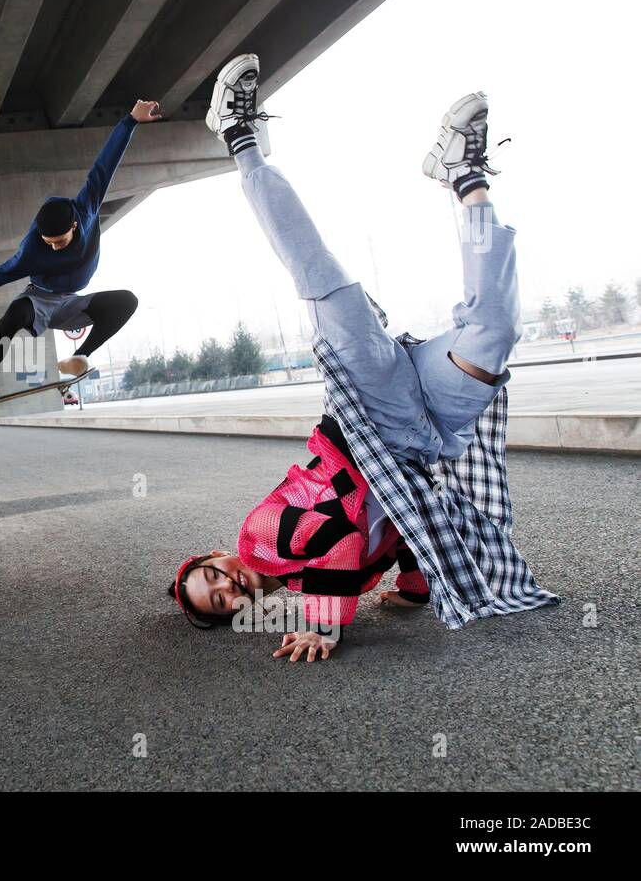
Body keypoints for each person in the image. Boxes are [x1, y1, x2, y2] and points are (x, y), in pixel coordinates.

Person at [169, 54, 557, 663]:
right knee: (493, 333)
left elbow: (335, 534)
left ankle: (238, 137)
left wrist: (326, 625)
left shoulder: (261, 538)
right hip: (426, 437)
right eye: (220, 602)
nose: (226, 586)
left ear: (216, 553)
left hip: (369, 416)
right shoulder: (307, 583)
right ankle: (464, 174)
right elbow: (404, 528)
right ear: (240, 614)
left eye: (211, 575)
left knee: (321, 275)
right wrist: (412, 589)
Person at [0, 99, 163, 408]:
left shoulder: (87, 206)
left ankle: (79, 358)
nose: (53, 246)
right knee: (13, 316)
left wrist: (130, 120)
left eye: (59, 241)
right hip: (39, 299)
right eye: (48, 242)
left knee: (126, 301)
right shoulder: (31, 251)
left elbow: (105, 165)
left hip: (72, 303)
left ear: (75, 226)